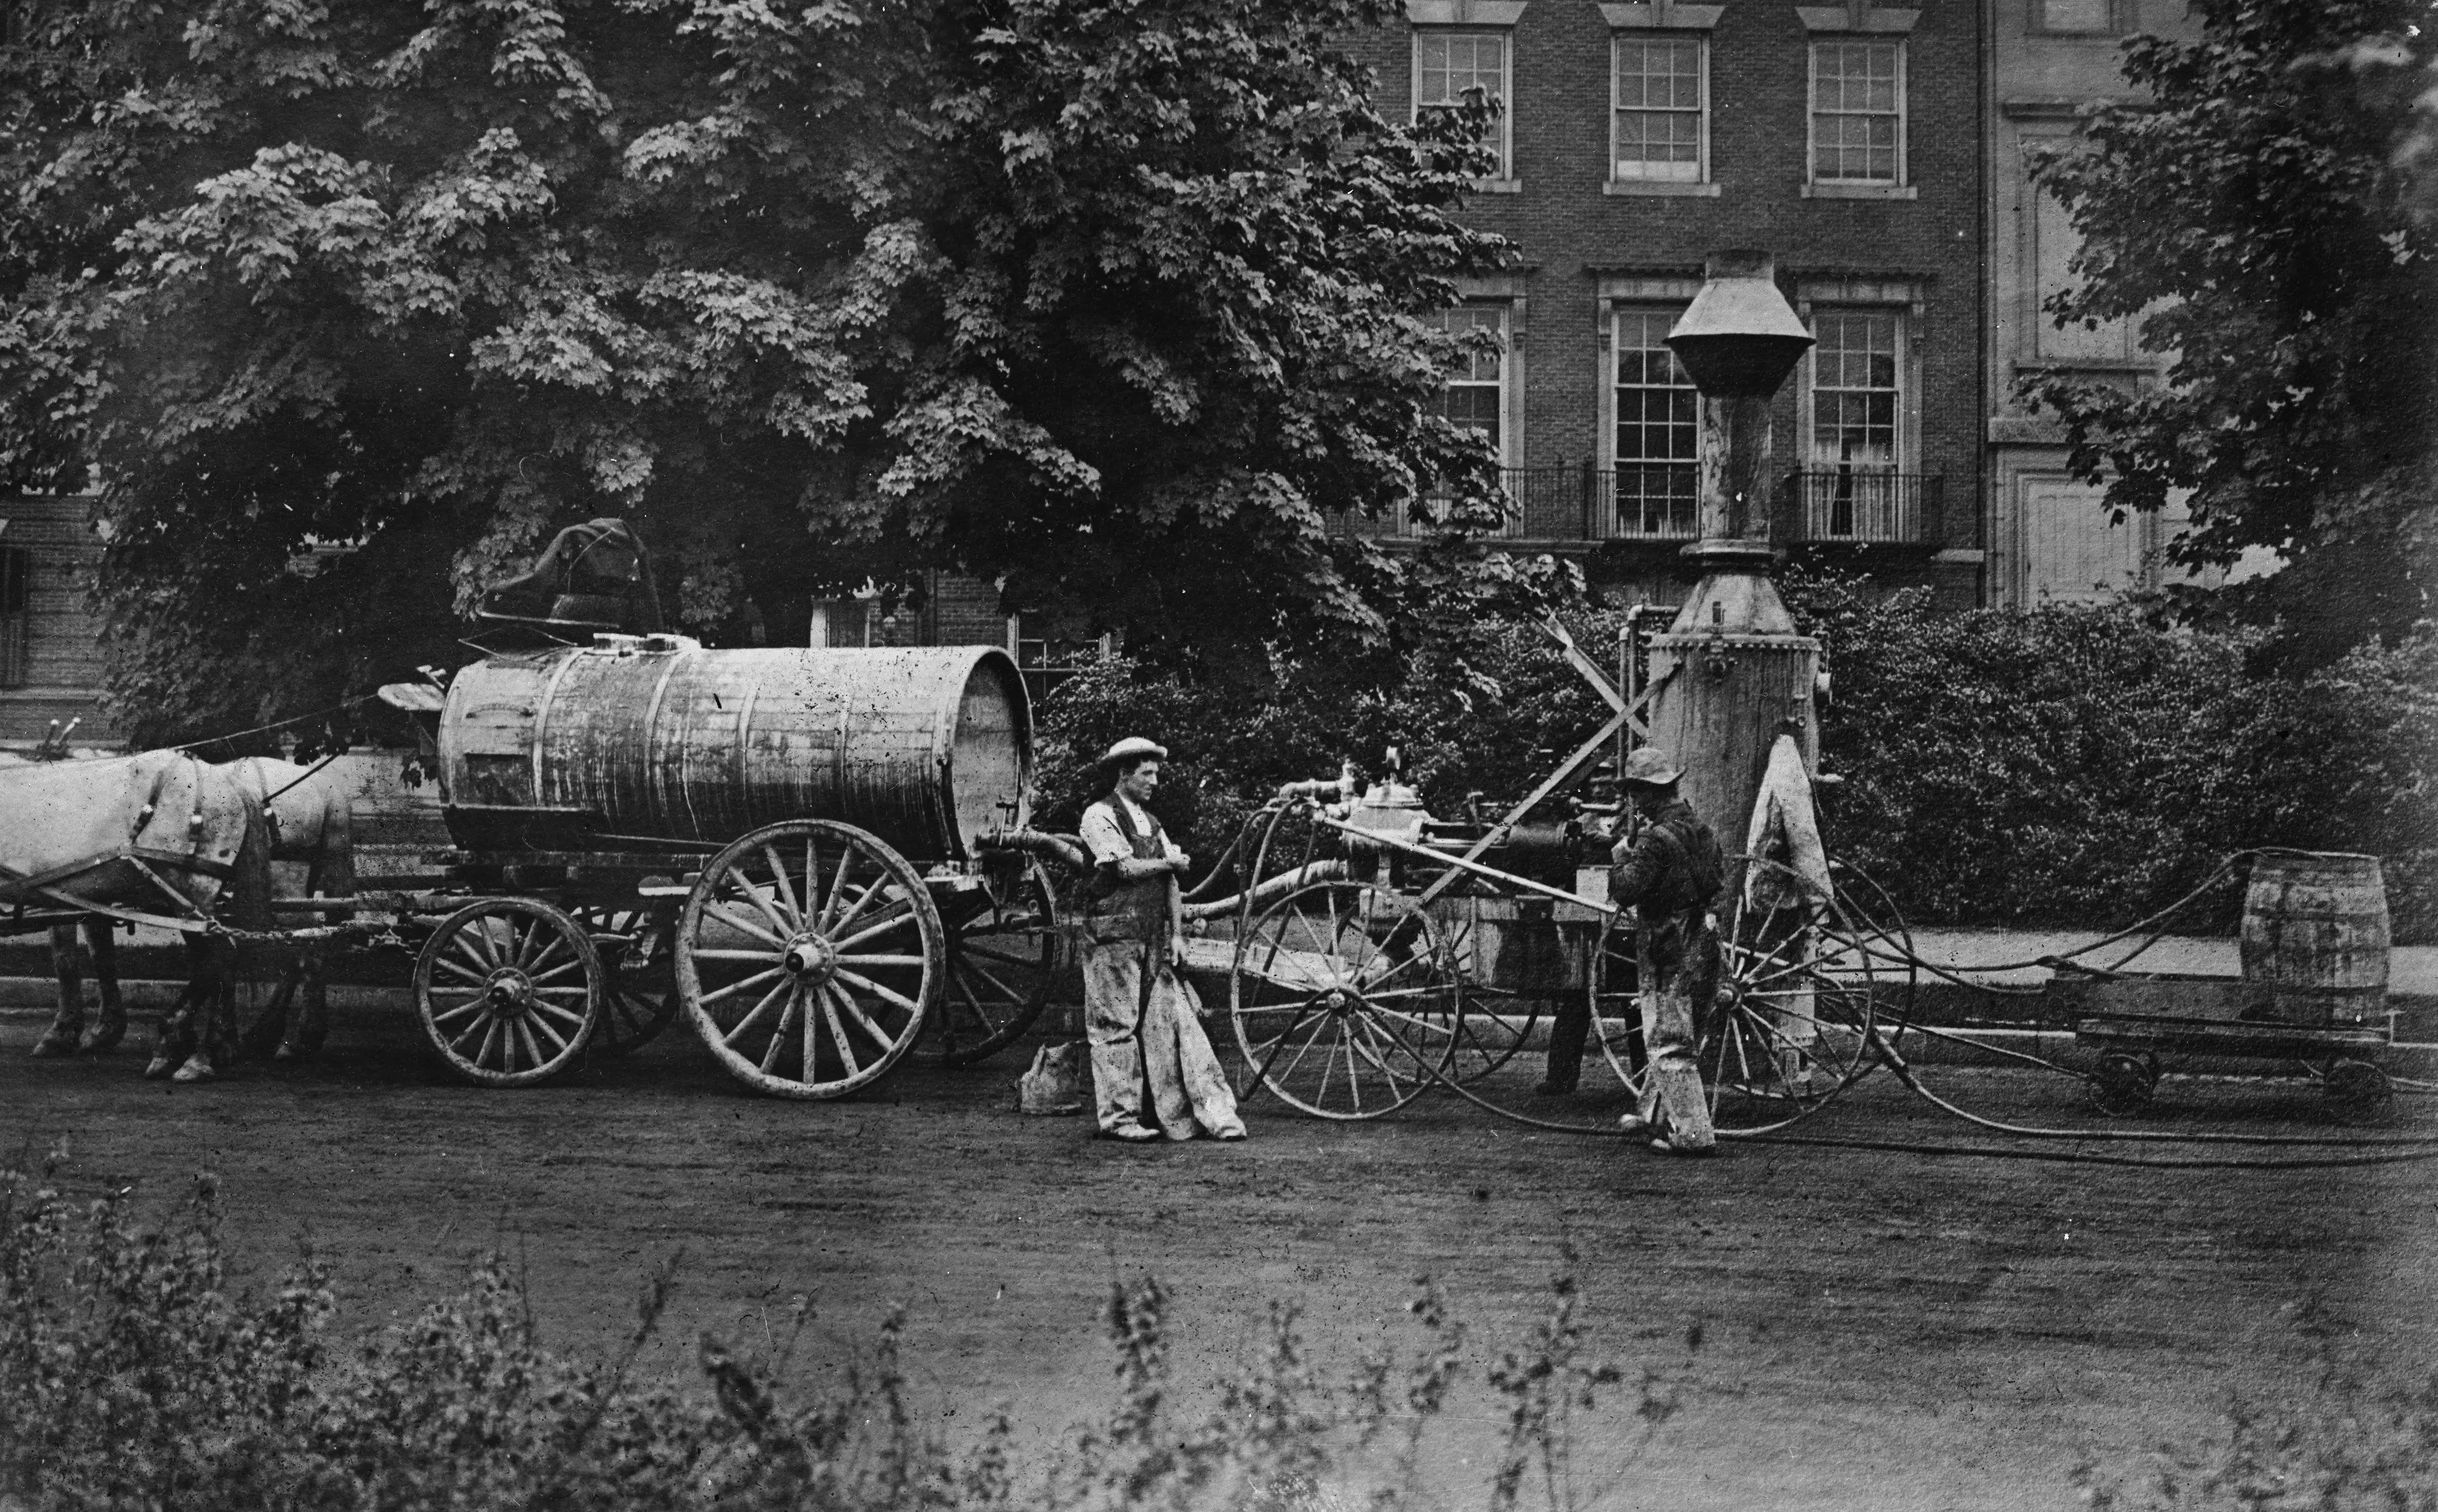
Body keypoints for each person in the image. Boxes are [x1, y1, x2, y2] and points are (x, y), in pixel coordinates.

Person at [1077, 738, 1248, 1143]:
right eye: (1146, 773)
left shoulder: (1151, 823)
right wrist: (1169, 862)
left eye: (1157, 773)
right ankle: (1119, 1120)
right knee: (1114, 1027)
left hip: (1150, 937)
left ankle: (1163, 1111)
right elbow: (1124, 869)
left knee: (1158, 1026)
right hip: (1111, 935)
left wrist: (1176, 935)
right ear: (1124, 775)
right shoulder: (1099, 816)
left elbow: (1171, 882)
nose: (1155, 781)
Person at [1605, 746, 1723, 1156]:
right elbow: (1717, 881)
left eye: (1635, 795)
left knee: (1670, 1039)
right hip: (1705, 940)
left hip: (1669, 944)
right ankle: (1653, 1113)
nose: (1632, 803)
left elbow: (1626, 890)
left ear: (1646, 793)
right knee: (1676, 1032)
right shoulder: (1701, 829)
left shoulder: (1655, 839)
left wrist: (1620, 855)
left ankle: (1693, 1135)